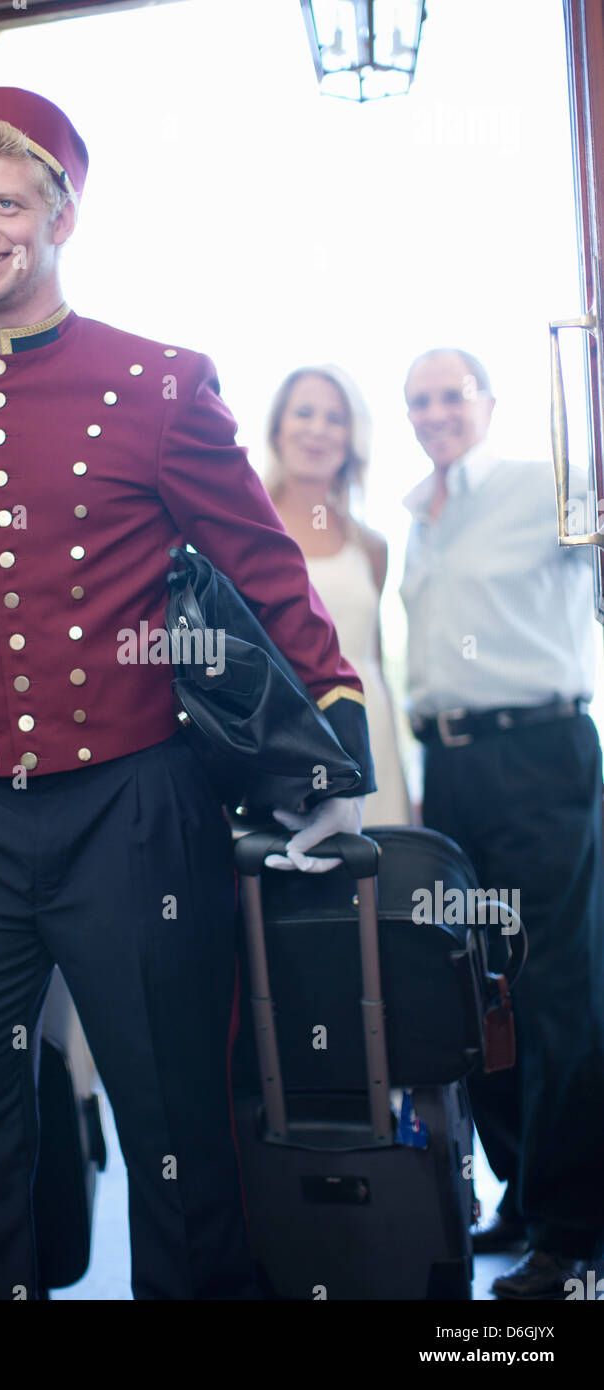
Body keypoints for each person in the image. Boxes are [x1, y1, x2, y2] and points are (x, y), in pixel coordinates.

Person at [0, 86, 375, 1300]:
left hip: (138, 813)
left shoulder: (159, 385)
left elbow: (265, 572)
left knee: (176, 1132)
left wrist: (332, 749)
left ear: (62, 215)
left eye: (5, 203)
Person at [399, 346, 604, 1300]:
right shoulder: (417, 514)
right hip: (453, 768)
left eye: (452, 395)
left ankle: (573, 1239)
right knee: (478, 992)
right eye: (419, 399)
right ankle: (524, 1197)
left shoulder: (546, 485)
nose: (435, 411)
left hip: (539, 758)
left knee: (558, 994)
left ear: (487, 402)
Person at [266, 365, 410, 825]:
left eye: (334, 418)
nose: (317, 430)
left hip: (370, 735)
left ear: (352, 438)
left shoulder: (371, 546)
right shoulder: (246, 533)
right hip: (282, 739)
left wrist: (405, 783)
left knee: (380, 886)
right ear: (277, 428)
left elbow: (378, 663)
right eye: (304, 413)